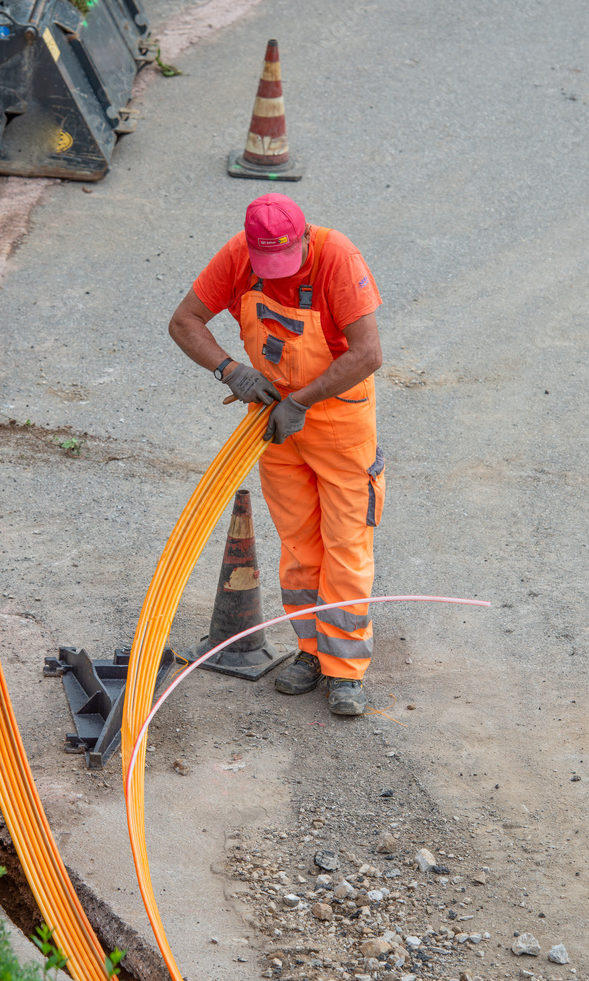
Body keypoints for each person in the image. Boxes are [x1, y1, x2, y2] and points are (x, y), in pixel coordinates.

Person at [168, 193, 384, 716]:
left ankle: (345, 670)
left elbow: (368, 353)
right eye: (267, 265)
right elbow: (184, 321)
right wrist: (231, 370)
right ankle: (310, 652)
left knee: (346, 545)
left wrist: (302, 401)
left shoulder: (337, 258)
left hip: (336, 423)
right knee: (300, 544)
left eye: (285, 263)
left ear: (304, 235)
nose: (276, 274)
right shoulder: (238, 254)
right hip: (276, 425)